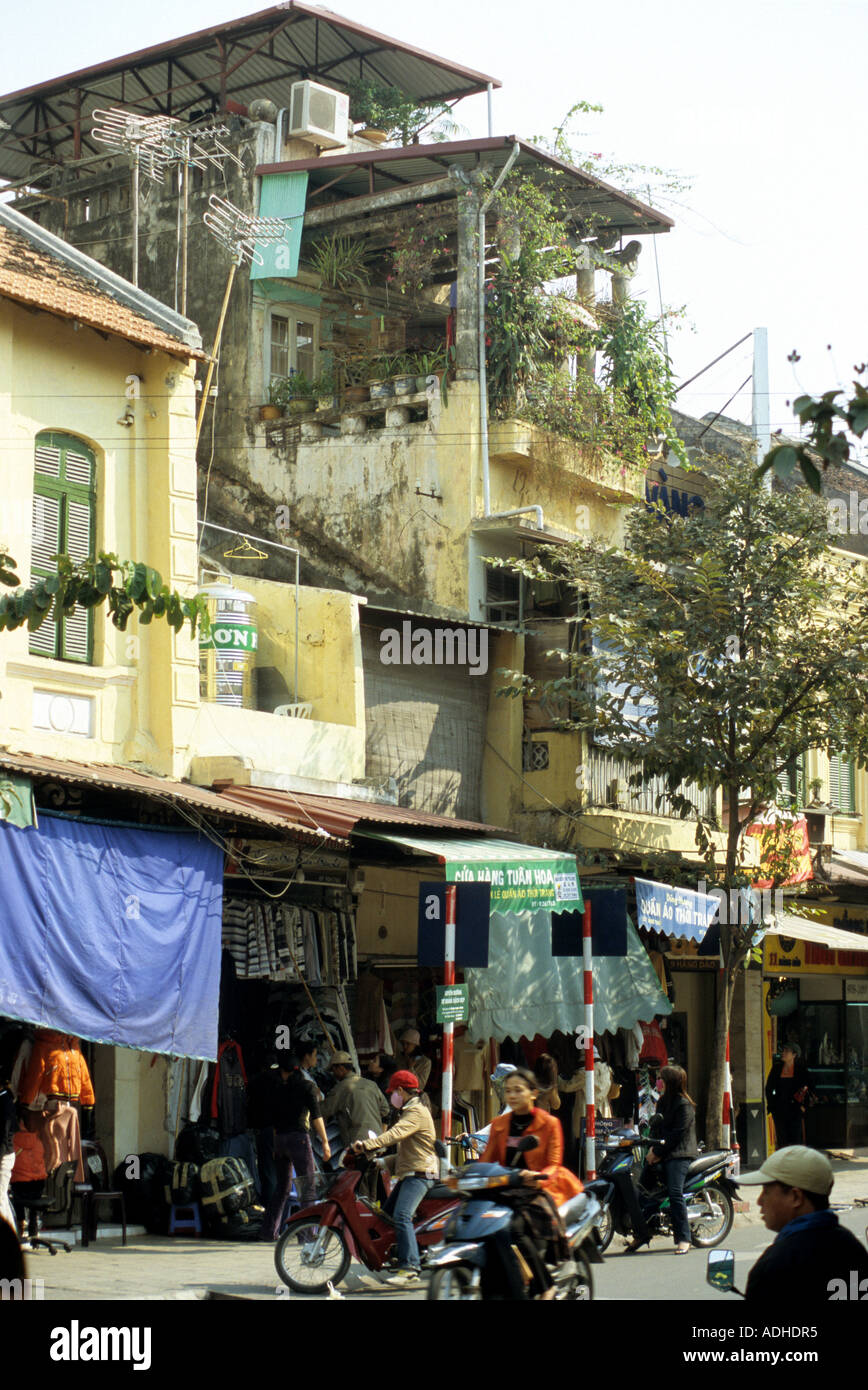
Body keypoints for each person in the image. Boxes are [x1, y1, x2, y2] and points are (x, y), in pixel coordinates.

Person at [481, 1068, 583, 1299]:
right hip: (505, 1189)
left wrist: (536, 1177)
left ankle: (546, 1286)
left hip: (539, 1189)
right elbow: (486, 1160)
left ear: (533, 1093)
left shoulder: (549, 1123)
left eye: (518, 1090)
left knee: (514, 1230)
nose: (512, 1095)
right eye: (508, 1091)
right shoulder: (499, 1124)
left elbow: (554, 1163)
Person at [739, 1146, 868, 1301]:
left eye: (766, 1191)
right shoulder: (852, 1248)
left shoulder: (775, 1266)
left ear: (796, 1197)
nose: (759, 1201)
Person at [352, 1068, 437, 1287]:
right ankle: (397, 1255)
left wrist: (367, 1145)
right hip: (411, 1172)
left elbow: (394, 1134)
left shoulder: (416, 1112)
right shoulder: (411, 1110)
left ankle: (410, 1267)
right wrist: (382, 1162)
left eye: (393, 1092)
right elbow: (409, 1152)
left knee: (401, 1216)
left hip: (420, 1175)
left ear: (400, 1090)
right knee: (385, 1215)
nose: (392, 1097)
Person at [259, 1052, 331, 1242]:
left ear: (284, 1072)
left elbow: (271, 1118)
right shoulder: (307, 1087)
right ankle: (307, 1236)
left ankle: (268, 1232)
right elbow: (316, 1116)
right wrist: (325, 1142)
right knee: (307, 1188)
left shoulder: (276, 1089)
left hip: (280, 1140)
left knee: (281, 1188)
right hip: (299, 1139)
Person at [630, 1063, 697, 1255]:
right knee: (643, 1190)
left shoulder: (684, 1105)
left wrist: (657, 1152)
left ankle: (684, 1238)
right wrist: (652, 1149)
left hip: (680, 1154)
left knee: (674, 1192)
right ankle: (642, 1233)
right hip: (663, 1152)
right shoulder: (662, 1102)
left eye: (661, 1078)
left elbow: (677, 1135)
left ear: (671, 1082)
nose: (657, 1081)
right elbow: (657, 1128)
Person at [321, 1052, 389, 1201]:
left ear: (340, 1068)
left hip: (358, 1144)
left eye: (333, 1070)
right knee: (375, 1186)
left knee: (360, 1188)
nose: (333, 1074)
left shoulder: (341, 1088)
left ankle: (364, 1219)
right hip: (377, 1142)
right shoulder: (371, 1084)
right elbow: (385, 1110)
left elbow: (323, 1110)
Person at [765, 1043, 813, 1149]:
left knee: (796, 1138)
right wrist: (772, 1106)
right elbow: (769, 1088)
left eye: (787, 1051)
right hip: (779, 1109)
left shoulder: (801, 1070)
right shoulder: (777, 1068)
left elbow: (808, 1087)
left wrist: (803, 1106)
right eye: (784, 1051)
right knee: (782, 1139)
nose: (784, 1053)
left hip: (795, 1109)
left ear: (794, 1055)